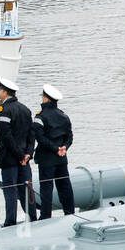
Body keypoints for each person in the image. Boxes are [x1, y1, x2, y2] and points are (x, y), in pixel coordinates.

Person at [0, 78, 35, 226]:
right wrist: (28, 154)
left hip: (11, 158)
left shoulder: (4, 110)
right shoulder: (25, 109)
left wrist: (19, 155)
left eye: (0, 90)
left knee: (10, 191)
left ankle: (10, 221)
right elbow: (31, 135)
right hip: (24, 159)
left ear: (5, 92)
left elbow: (6, 136)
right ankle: (32, 217)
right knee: (27, 190)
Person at [33, 85, 76, 217]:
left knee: (46, 188)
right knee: (65, 186)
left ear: (46, 99)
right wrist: (64, 148)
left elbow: (40, 137)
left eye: (43, 97)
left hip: (47, 159)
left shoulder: (40, 117)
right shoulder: (64, 116)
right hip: (62, 158)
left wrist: (55, 148)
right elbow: (70, 136)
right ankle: (70, 213)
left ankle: (46, 216)